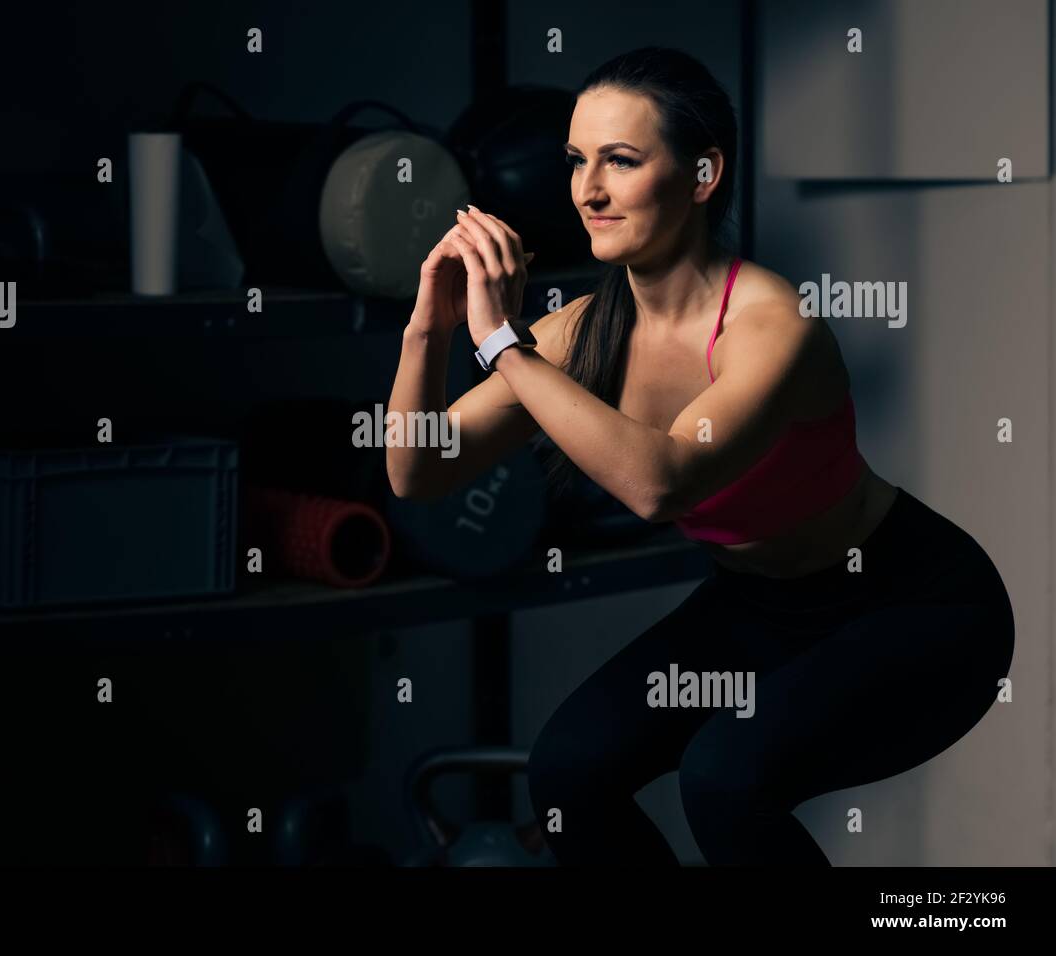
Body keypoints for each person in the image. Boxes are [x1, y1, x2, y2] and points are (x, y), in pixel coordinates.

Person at [385, 46, 1015, 866]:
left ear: (704, 173)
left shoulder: (771, 325)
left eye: (621, 160)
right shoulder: (581, 332)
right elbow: (418, 471)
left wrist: (503, 344)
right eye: (577, 161)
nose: (589, 190)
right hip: (756, 607)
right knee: (570, 771)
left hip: (913, 605)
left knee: (726, 778)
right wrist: (429, 327)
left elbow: (660, 481)